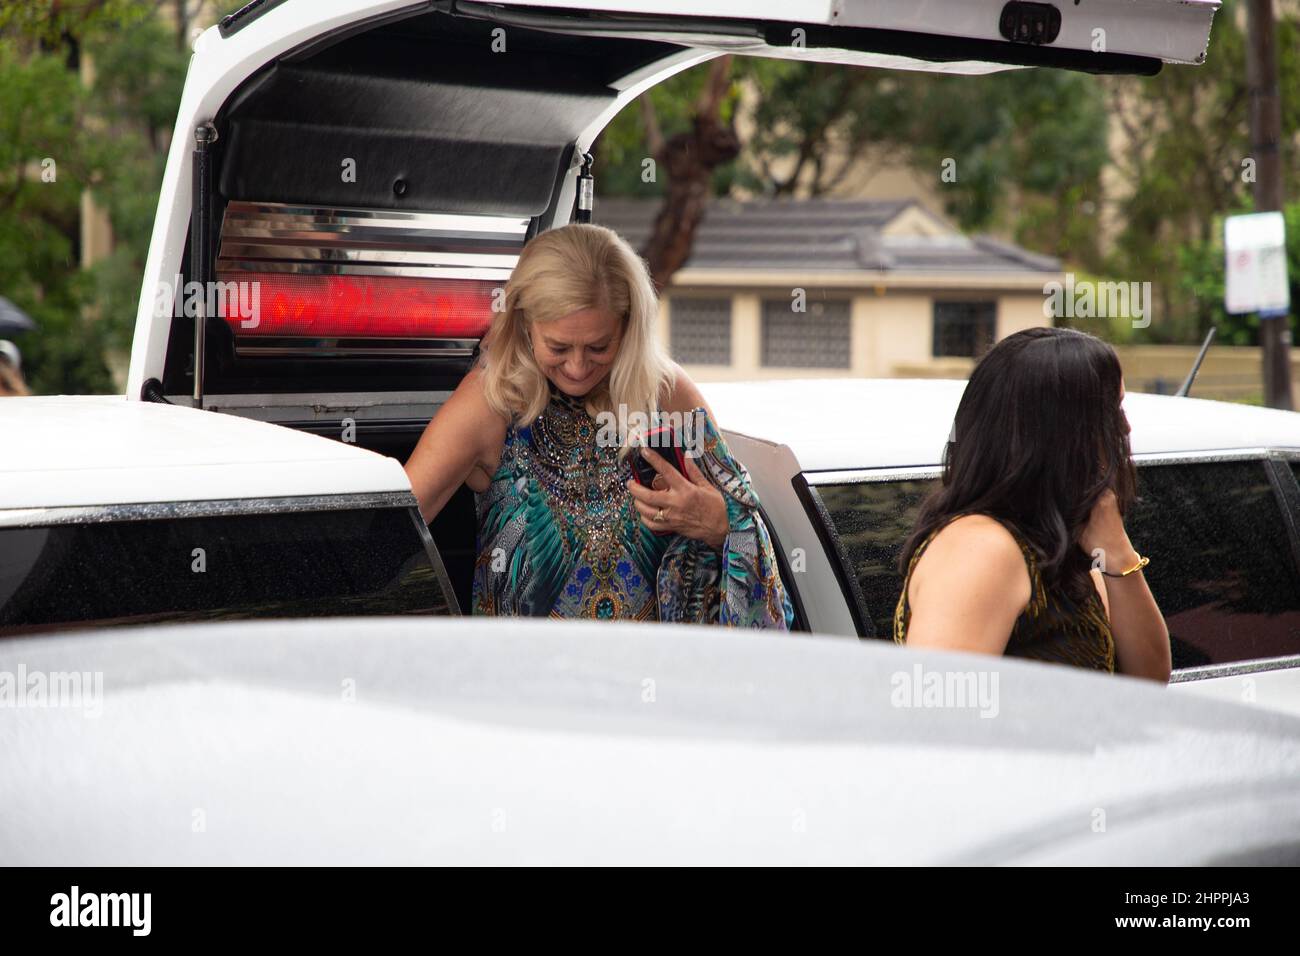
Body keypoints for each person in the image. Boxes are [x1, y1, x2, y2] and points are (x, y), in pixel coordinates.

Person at [404, 223, 793, 628]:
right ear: (524, 324)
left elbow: (753, 539)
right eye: (558, 347)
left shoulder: (666, 393)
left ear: (628, 328)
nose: (577, 366)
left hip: (661, 681)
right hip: (531, 684)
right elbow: (395, 531)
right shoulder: (491, 402)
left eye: (598, 347)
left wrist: (718, 522)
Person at [893, 327, 1170, 681]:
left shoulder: (1063, 543)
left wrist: (1118, 553)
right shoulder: (982, 549)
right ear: (1060, 432)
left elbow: (1148, 682)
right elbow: (935, 716)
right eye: (1111, 412)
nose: (1125, 428)